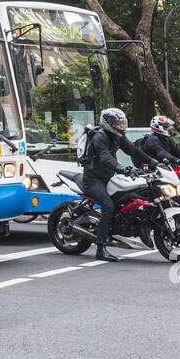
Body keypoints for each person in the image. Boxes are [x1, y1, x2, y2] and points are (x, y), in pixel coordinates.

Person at [76, 107, 152, 263]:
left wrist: (152, 162)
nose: (121, 127)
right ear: (108, 123)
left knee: (126, 199)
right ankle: (100, 248)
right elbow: (105, 158)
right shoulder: (99, 137)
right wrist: (122, 168)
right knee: (108, 206)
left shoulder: (117, 137)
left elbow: (132, 150)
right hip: (93, 179)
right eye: (118, 124)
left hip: (108, 177)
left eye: (122, 123)